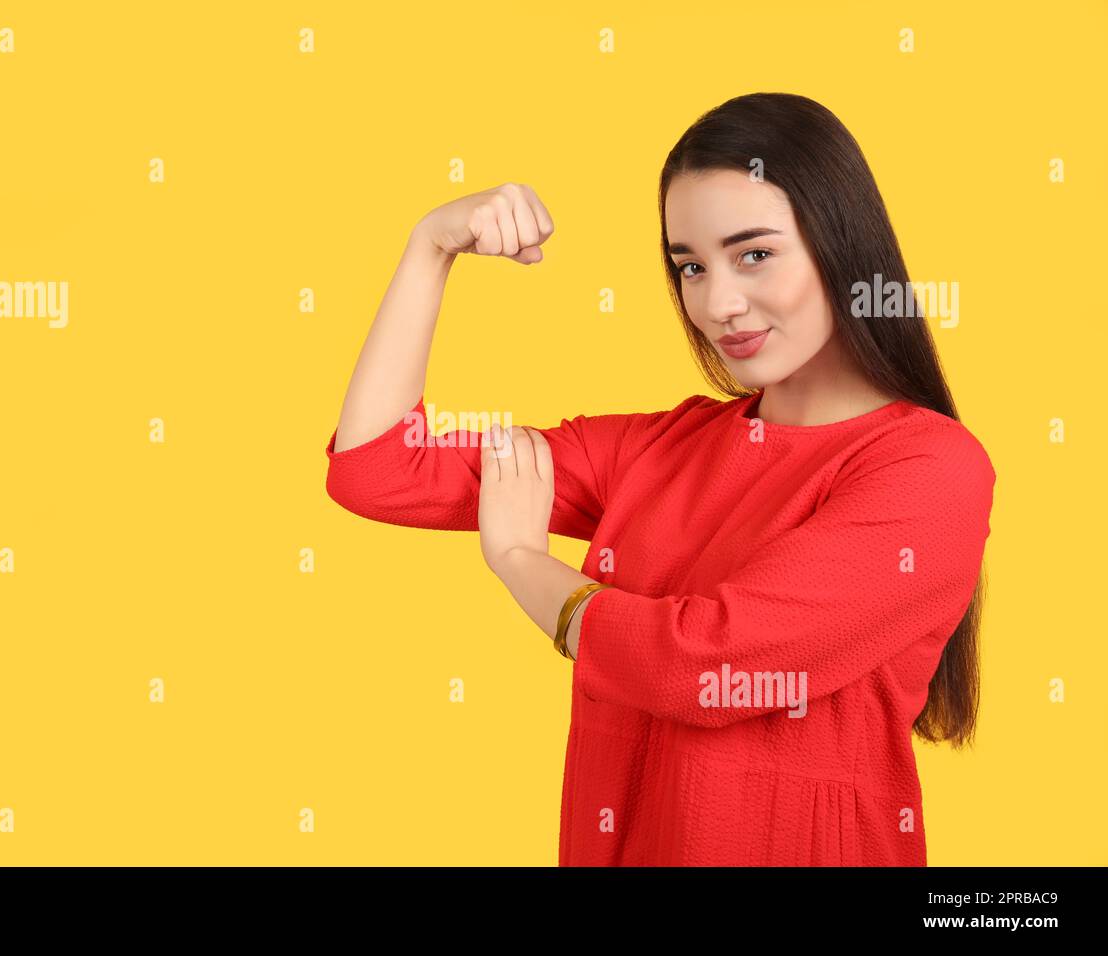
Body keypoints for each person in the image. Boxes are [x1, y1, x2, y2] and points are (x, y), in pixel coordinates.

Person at [323, 92, 996, 866]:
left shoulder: (930, 469)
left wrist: (522, 562)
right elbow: (374, 471)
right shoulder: (658, 450)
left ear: (841, 244)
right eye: (690, 267)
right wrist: (428, 248)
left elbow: (704, 665)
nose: (719, 303)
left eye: (755, 254)